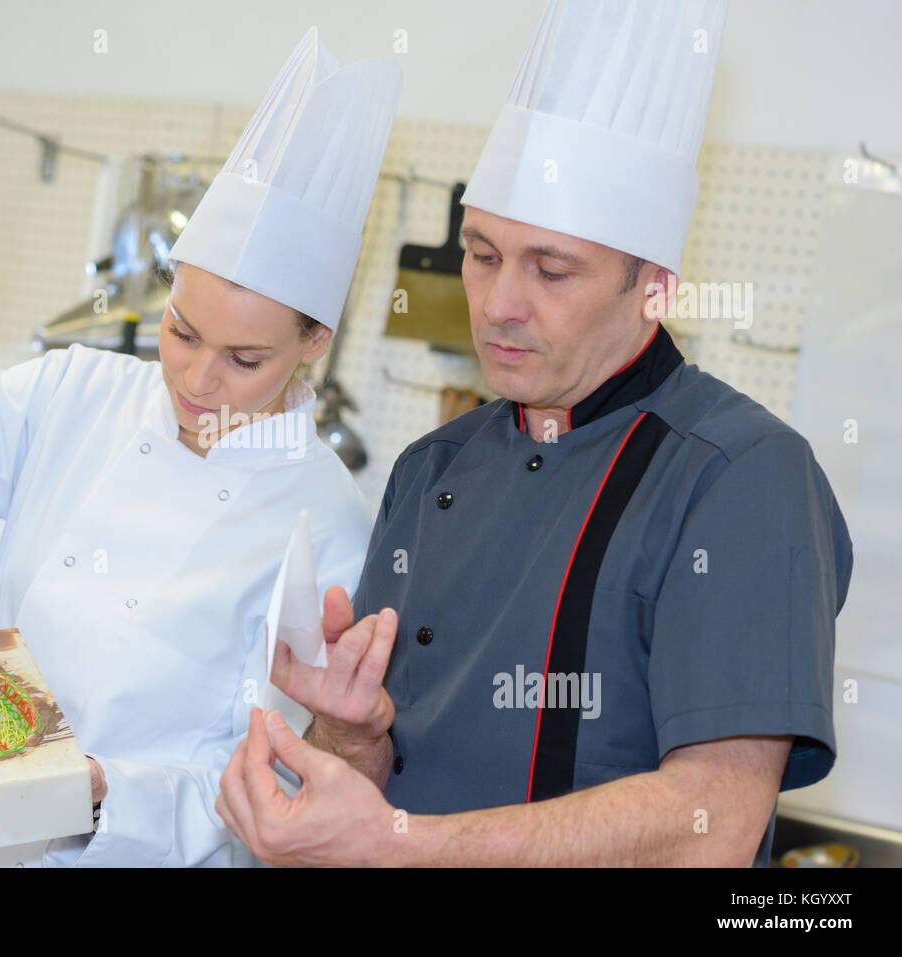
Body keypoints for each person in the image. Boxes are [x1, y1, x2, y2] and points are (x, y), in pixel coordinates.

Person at [217, 0, 854, 867]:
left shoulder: (742, 475)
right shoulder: (432, 464)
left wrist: (404, 844)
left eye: (552, 269)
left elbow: (712, 820)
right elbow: (369, 794)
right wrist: (349, 734)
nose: (499, 305)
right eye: (483, 255)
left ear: (654, 287)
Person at [0, 26, 402, 867]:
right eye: (182, 329)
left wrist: (105, 792)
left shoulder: (330, 529)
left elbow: (270, 786)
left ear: (314, 343)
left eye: (245, 359)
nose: (199, 378)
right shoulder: (76, 395)